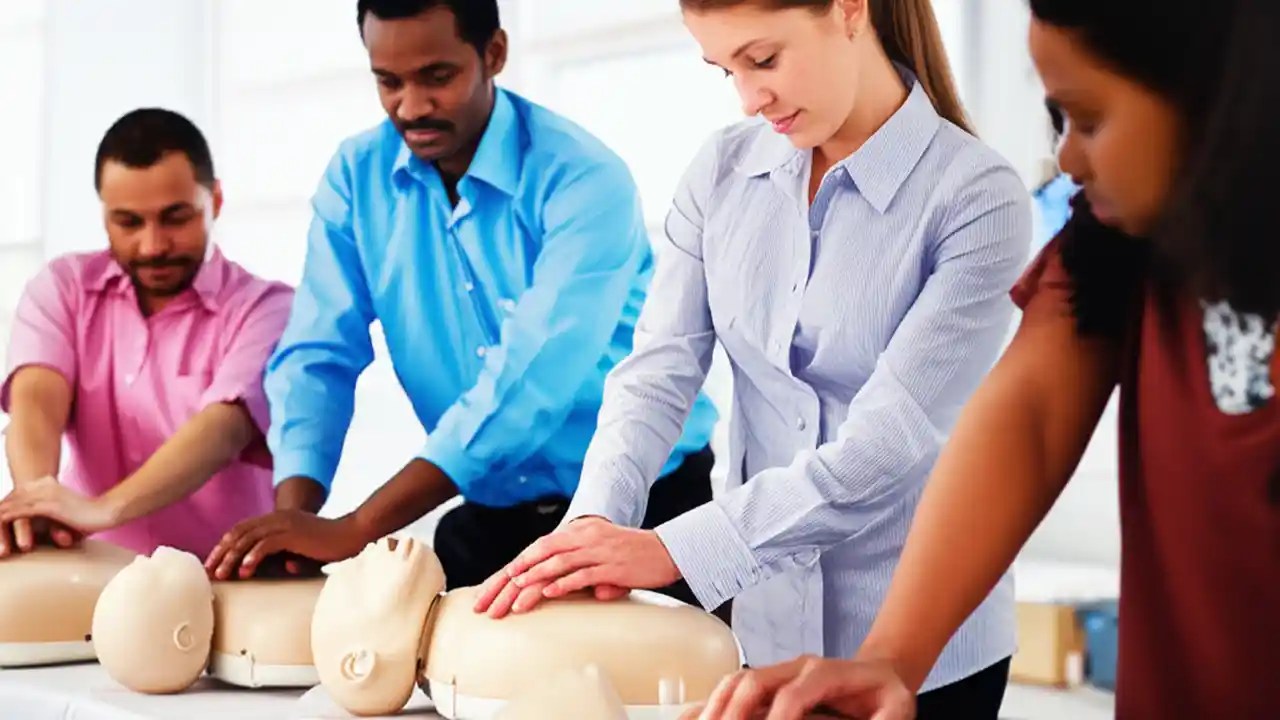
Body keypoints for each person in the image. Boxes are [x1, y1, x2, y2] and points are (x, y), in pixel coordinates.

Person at [686, 0, 1280, 718]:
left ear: (1221, 102)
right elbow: (1025, 417)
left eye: (1087, 120)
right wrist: (889, 662)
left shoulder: (973, 195)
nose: (1066, 159)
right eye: (1058, 122)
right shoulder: (1107, 248)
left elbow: (895, 434)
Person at [476, 0, 1030, 716]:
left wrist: (674, 551)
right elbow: (658, 371)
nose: (748, 96)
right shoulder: (720, 173)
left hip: (931, 654)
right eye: (725, 68)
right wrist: (593, 525)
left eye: (764, 59)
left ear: (850, 9)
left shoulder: (978, 199)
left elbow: (890, 442)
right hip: (764, 630)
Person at [203, 0, 719, 605]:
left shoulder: (583, 177)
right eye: (388, 81)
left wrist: (357, 529)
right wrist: (292, 522)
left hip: (646, 509)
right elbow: (319, 354)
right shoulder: (355, 177)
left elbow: (529, 381)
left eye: (437, 77)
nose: (411, 106)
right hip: (493, 515)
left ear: (493, 54)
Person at [0, 109, 293, 559]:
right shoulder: (63, 288)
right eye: (129, 222)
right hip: (89, 577)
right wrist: (36, 498)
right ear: (104, 216)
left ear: (214, 202)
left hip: (225, 585)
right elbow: (36, 401)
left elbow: (222, 431)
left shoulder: (267, 310)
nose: (153, 245)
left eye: (176, 218)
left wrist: (102, 511)